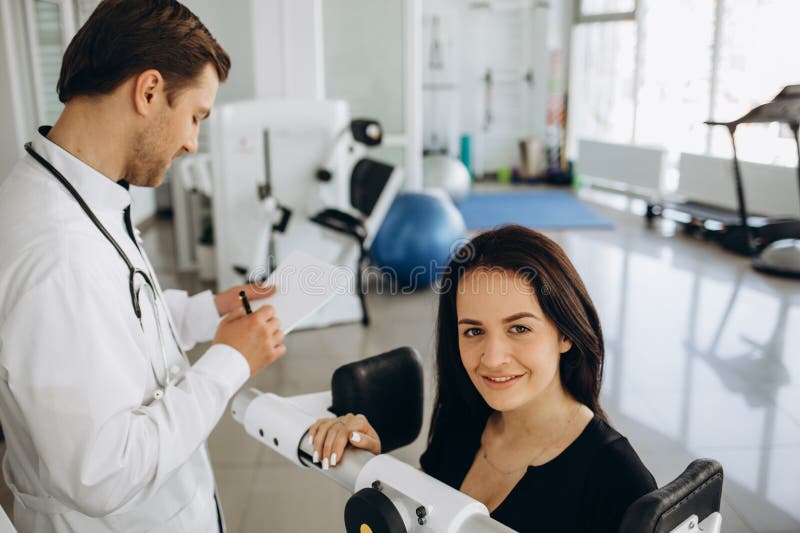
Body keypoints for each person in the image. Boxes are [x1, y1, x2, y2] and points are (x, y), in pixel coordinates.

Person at [0, 1, 285, 531]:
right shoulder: (57, 253)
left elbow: (112, 325)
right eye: (195, 116)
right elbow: (102, 473)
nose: (191, 142)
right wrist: (228, 363)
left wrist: (206, 312)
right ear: (149, 90)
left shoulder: (82, 192)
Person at [308, 224, 657, 532]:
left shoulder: (618, 481)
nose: (492, 358)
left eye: (519, 328)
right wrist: (375, 469)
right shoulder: (463, 418)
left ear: (565, 334)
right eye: (473, 331)